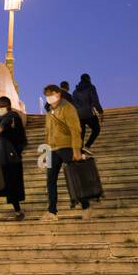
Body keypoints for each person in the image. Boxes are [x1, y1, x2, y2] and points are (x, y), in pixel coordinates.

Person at [42, 84, 85, 220]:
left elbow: (75, 129)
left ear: (58, 94)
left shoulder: (68, 108)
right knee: (50, 180)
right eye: (47, 96)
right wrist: (45, 152)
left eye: (51, 94)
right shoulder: (49, 112)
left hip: (66, 147)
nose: (49, 98)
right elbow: (47, 132)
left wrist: (76, 149)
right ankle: (52, 210)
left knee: (74, 178)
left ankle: (85, 206)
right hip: (52, 149)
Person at [72, 74, 104, 148]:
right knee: (96, 129)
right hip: (89, 113)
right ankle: (87, 146)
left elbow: (73, 104)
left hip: (78, 115)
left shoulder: (75, 91)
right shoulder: (91, 88)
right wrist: (100, 112)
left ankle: (81, 150)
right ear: (88, 79)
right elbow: (95, 101)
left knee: (81, 134)